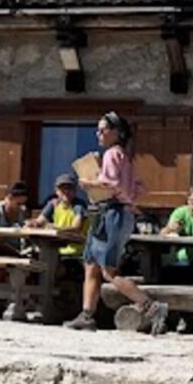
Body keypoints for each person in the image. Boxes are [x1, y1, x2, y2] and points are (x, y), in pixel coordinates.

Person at [66, 113, 168, 334]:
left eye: (103, 129)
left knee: (108, 271)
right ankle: (86, 315)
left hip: (112, 213)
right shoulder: (125, 157)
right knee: (91, 265)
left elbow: (109, 185)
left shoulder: (113, 154)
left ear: (116, 133)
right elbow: (140, 188)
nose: (98, 133)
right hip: (114, 213)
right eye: (98, 129)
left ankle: (151, 307)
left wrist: (87, 183)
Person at [28, 171, 90, 259]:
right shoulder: (53, 204)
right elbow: (40, 221)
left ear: (75, 191)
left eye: (70, 188)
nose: (66, 192)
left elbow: (76, 228)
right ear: (57, 191)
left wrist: (55, 228)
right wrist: (32, 223)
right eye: (63, 188)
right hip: (56, 248)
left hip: (75, 252)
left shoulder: (79, 205)